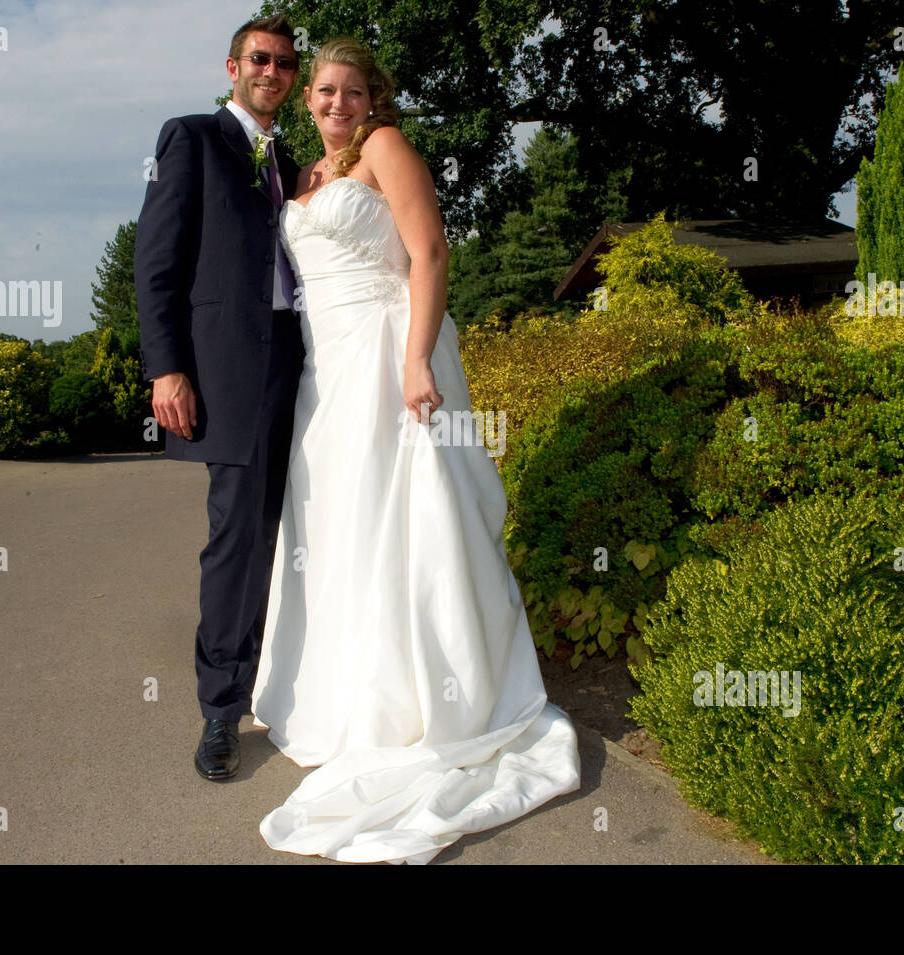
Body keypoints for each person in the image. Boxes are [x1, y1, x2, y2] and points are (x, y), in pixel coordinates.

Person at [250, 36, 582, 864]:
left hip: (391, 353)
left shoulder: (387, 150)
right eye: (324, 90)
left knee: (409, 526)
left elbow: (430, 252)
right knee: (341, 532)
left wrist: (413, 358)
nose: (337, 103)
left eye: (351, 91)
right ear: (306, 98)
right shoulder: (300, 178)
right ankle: (347, 692)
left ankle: (425, 701)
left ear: (373, 98)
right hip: (326, 375)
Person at [134, 14, 304, 782]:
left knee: (291, 531)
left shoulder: (293, 158)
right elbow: (156, 263)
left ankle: (286, 679)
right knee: (236, 539)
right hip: (230, 375)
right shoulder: (193, 140)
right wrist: (166, 368)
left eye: (285, 63)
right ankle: (219, 709)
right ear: (231, 67)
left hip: (301, 369)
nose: (272, 71)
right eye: (260, 59)